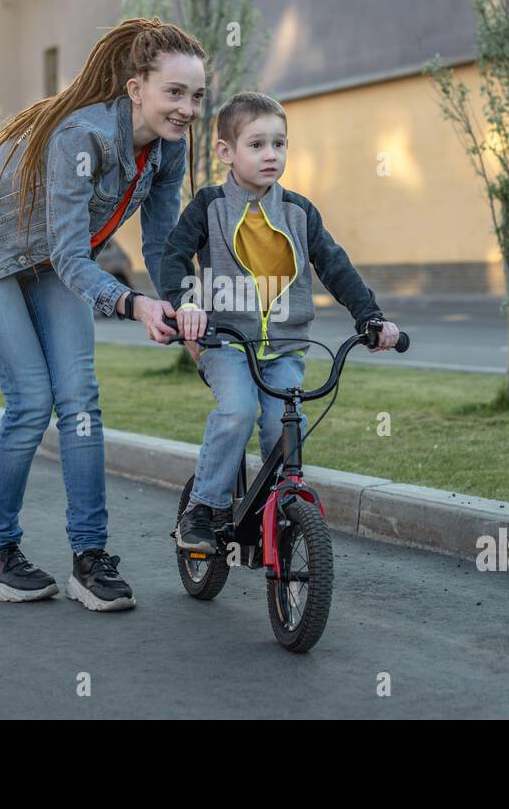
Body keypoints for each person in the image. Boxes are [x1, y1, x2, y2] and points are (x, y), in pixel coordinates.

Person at [0, 17, 207, 611]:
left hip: (51, 257)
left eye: (196, 95)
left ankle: (90, 561)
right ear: (136, 88)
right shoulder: (80, 138)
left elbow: (163, 242)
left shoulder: (168, 148)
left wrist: (183, 301)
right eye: (174, 92)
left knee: (81, 399)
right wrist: (133, 303)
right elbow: (69, 254)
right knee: (33, 399)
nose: (187, 107)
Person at [160, 91, 401, 552]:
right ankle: (203, 509)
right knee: (237, 412)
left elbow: (335, 266)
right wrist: (186, 304)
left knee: (282, 425)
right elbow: (175, 257)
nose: (271, 154)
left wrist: (371, 317)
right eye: (257, 145)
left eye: (280, 144)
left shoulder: (299, 212)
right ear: (226, 152)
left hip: (285, 348)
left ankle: (277, 509)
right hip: (226, 343)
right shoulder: (209, 206)